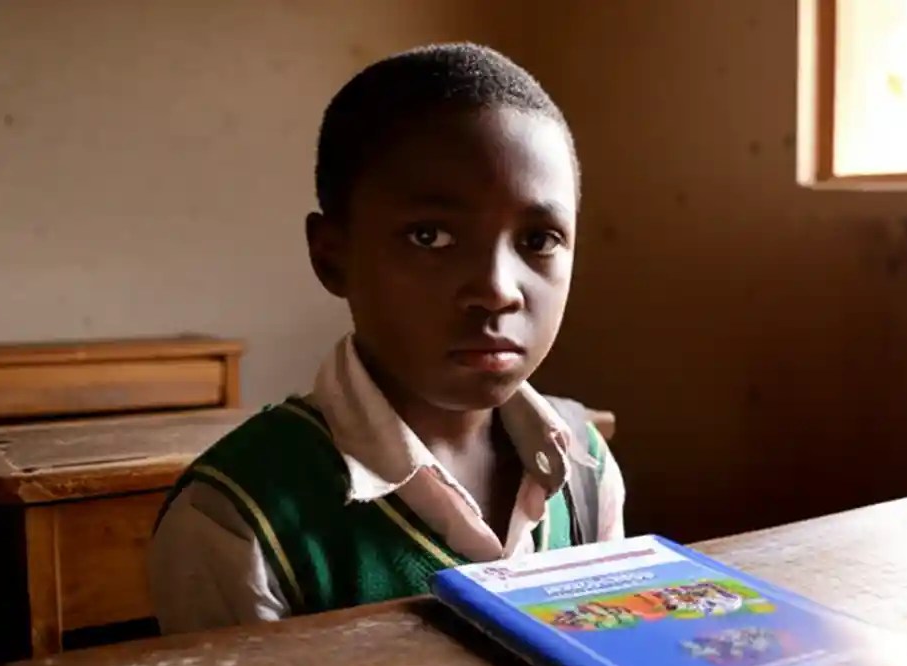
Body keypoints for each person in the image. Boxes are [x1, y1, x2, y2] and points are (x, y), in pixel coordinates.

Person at [148, 43, 626, 635]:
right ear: (332, 257)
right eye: (431, 237)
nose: (498, 289)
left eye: (539, 240)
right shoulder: (237, 522)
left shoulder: (585, 468)